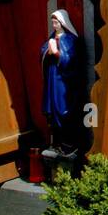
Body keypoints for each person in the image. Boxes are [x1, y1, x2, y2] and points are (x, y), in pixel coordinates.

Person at [41, 9, 83, 157]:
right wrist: (48, 52)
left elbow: (71, 60)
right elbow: (43, 52)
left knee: (64, 109)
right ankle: (56, 142)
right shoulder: (52, 37)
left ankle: (68, 144)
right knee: (52, 109)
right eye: (52, 22)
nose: (54, 25)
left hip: (63, 82)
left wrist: (57, 53)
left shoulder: (69, 40)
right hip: (52, 78)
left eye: (56, 22)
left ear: (63, 23)